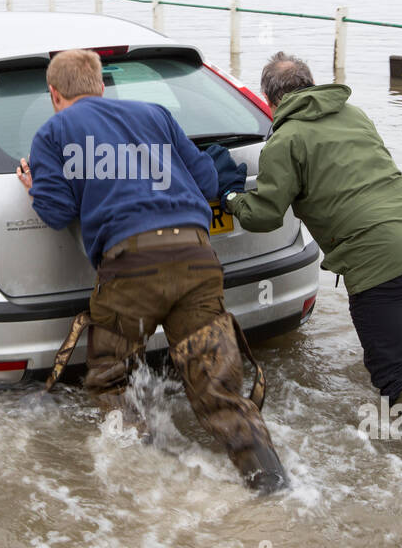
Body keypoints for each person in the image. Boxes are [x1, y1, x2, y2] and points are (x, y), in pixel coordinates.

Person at [17, 49, 288, 493]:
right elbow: (204, 180)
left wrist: (33, 186)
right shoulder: (156, 114)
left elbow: (57, 209)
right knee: (217, 390)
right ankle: (273, 485)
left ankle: (148, 482)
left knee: (109, 374)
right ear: (101, 84)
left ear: (54, 94)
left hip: (131, 270)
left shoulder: (54, 132)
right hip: (198, 260)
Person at [221, 52, 402, 421]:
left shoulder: (285, 139)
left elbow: (265, 215)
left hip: (377, 260)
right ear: (309, 83)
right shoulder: (353, 114)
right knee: (389, 346)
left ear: (271, 100)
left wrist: (230, 198)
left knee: (394, 372)